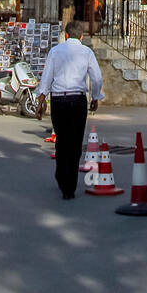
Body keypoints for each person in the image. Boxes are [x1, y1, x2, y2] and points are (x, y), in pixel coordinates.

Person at [35, 20, 103, 200]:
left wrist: (41, 102)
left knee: (62, 141)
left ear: (66, 35)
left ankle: (61, 175)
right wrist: (95, 97)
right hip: (78, 100)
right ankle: (69, 187)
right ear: (82, 36)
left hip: (59, 100)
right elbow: (96, 77)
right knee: (75, 143)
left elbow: (47, 78)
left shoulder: (55, 51)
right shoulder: (87, 52)